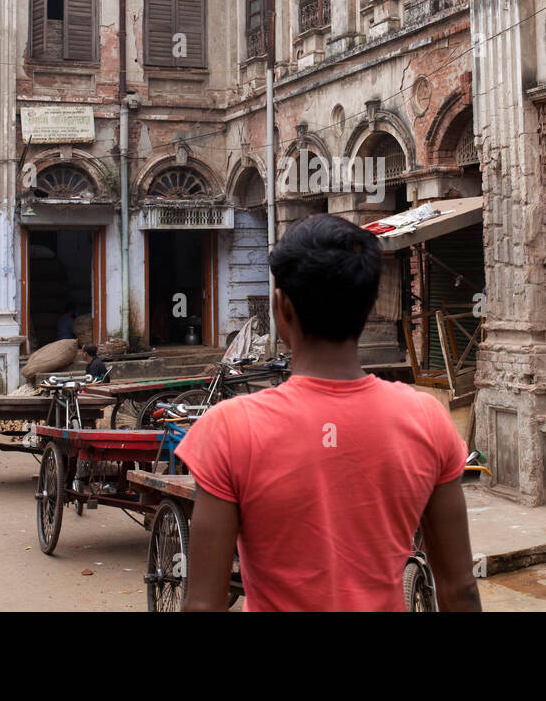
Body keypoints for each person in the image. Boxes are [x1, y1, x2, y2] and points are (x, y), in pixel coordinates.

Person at [176, 214, 481, 611]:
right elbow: (460, 590)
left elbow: (203, 604)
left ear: (281, 307)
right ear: (371, 306)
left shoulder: (230, 429)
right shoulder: (427, 418)